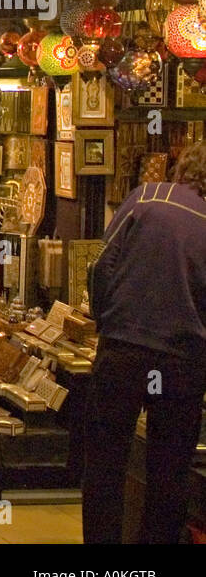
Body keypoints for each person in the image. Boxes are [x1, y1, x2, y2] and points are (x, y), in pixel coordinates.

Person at [82, 143, 206, 544]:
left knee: (105, 463)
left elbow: (101, 266)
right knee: (168, 473)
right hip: (182, 361)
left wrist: (106, 321)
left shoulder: (146, 196)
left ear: (181, 169)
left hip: (123, 348)